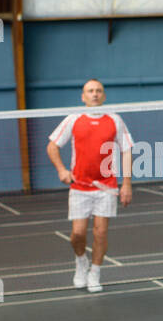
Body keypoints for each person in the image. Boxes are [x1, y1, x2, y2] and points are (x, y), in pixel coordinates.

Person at [46, 79, 133, 293]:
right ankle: (80, 261)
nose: (94, 94)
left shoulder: (115, 120)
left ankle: (94, 273)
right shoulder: (73, 119)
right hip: (79, 187)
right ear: (82, 96)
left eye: (98, 91)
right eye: (90, 91)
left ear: (104, 96)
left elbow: (127, 150)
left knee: (100, 233)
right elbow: (52, 146)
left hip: (107, 186)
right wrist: (61, 170)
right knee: (77, 234)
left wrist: (127, 184)